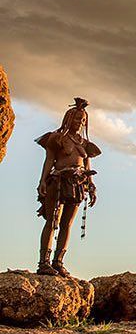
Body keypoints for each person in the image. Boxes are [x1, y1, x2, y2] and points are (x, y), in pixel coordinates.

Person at [35, 97, 100, 277]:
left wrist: (91, 186)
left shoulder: (84, 144)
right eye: (77, 118)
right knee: (52, 221)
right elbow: (49, 160)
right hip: (58, 181)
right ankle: (43, 263)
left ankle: (58, 261)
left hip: (77, 183)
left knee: (67, 224)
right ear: (68, 118)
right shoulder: (57, 138)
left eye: (83, 120)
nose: (80, 122)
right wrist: (42, 181)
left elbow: (87, 166)